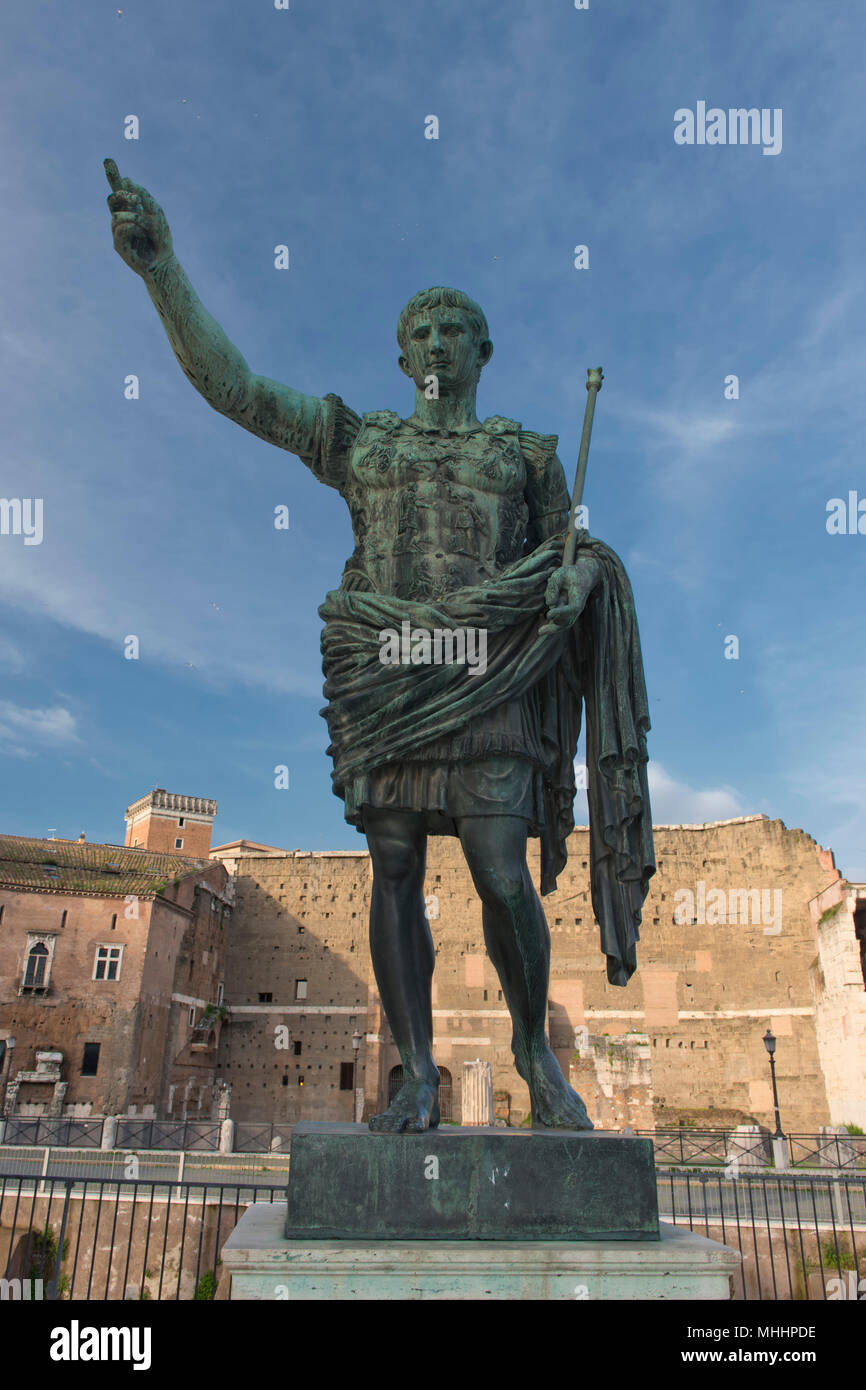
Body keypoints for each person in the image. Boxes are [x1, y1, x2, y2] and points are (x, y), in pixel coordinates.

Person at [105, 159, 655, 1133]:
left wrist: (577, 580)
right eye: (419, 331)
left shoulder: (523, 455)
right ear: (403, 358)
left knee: (497, 870)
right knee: (392, 867)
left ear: (480, 350)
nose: (436, 341)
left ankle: (532, 1048)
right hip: (390, 670)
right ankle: (410, 1073)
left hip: (487, 682)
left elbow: (569, 554)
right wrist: (162, 272)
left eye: (452, 328)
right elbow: (233, 388)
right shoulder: (365, 444)